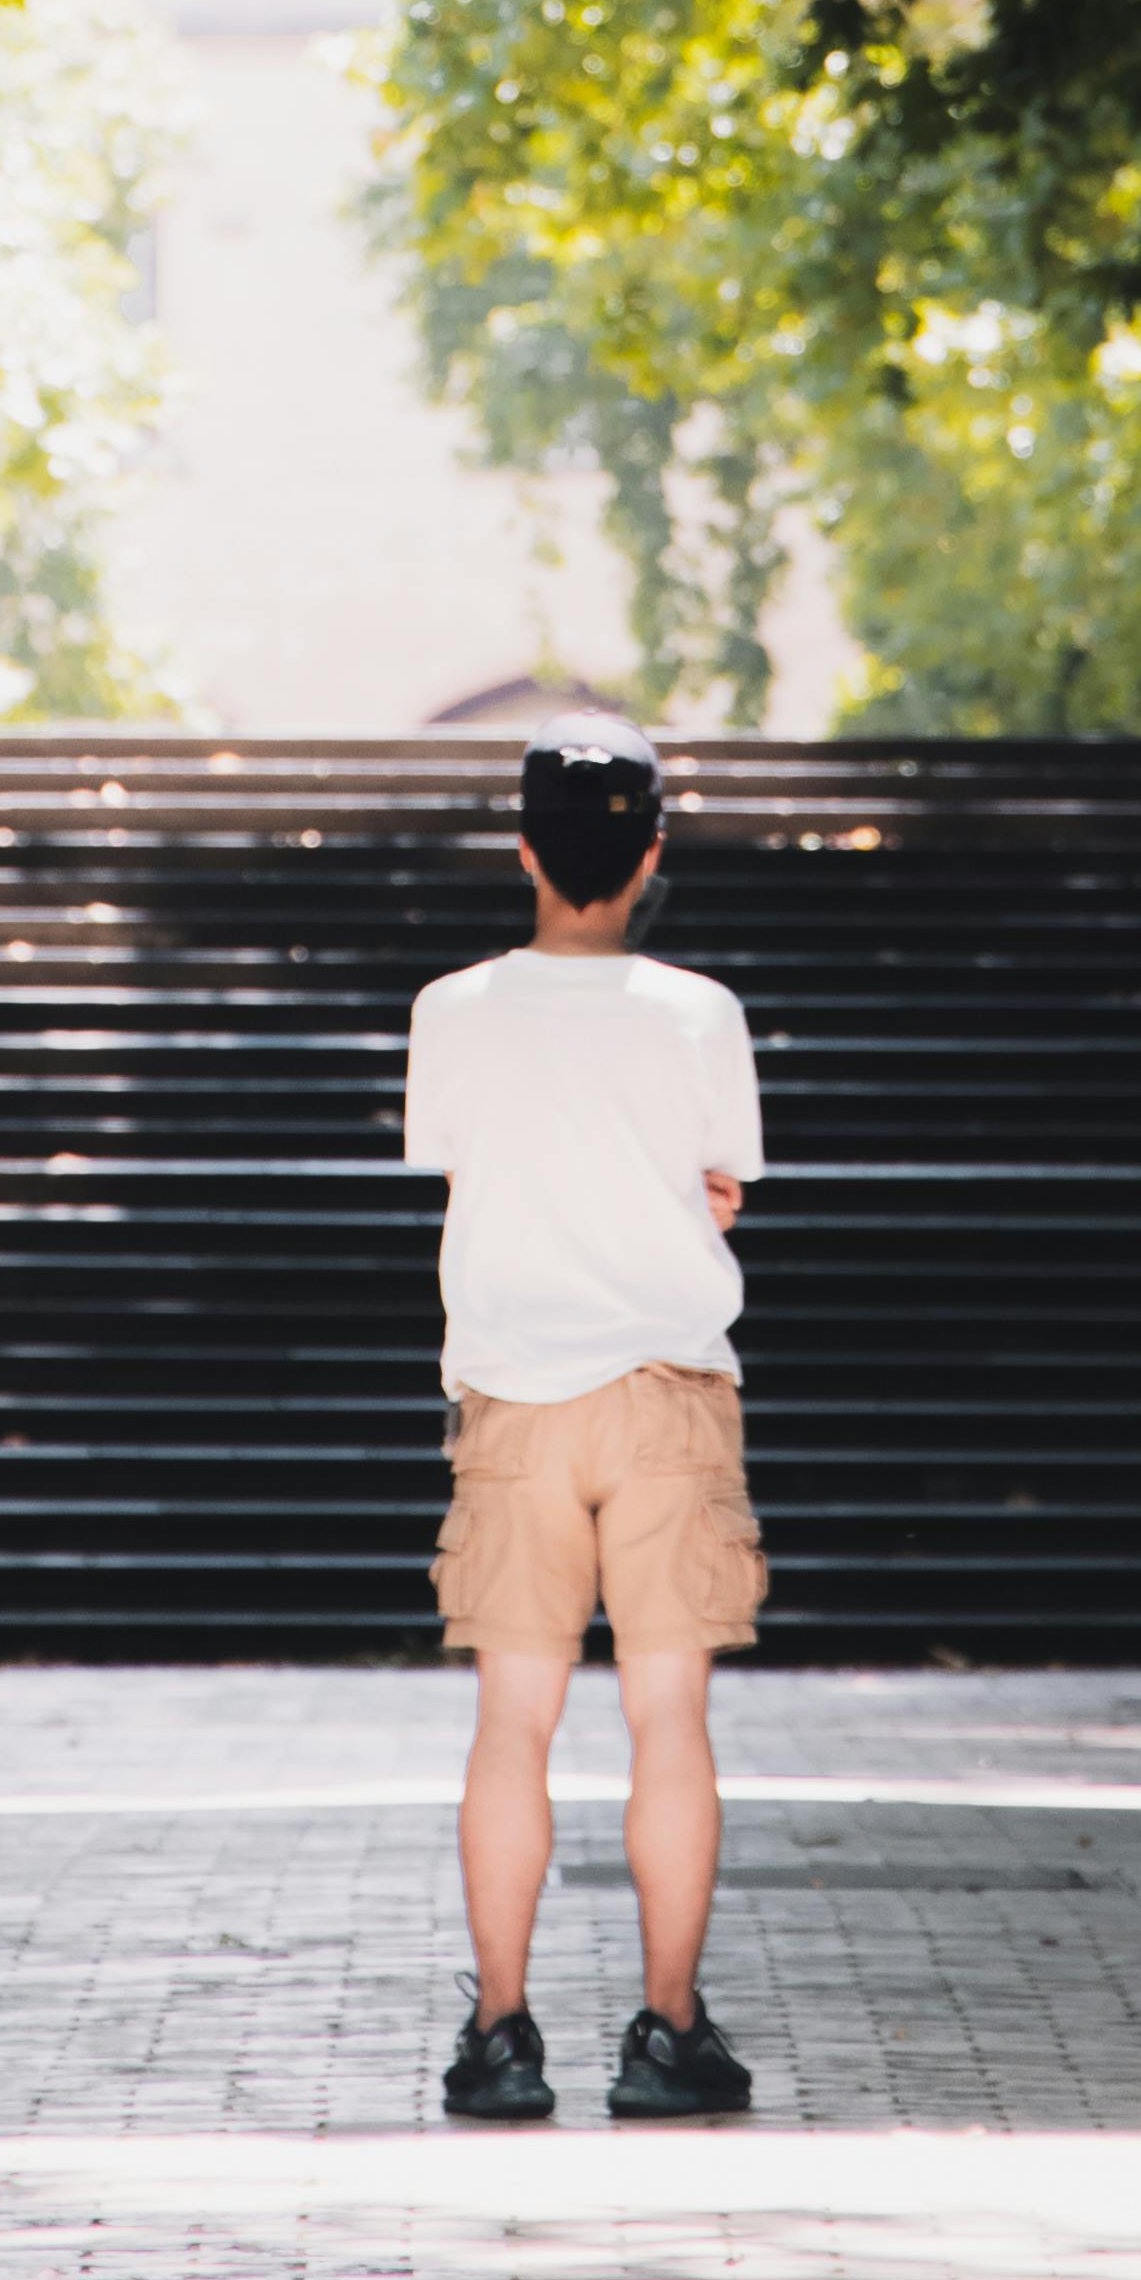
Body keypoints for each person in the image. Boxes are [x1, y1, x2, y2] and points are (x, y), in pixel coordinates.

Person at [406, 707, 768, 2124]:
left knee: (514, 1722)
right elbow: (715, 1182)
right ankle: (666, 2031)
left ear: (523, 852)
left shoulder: (451, 1007)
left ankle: (501, 2034)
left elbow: (464, 1167)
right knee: (667, 1716)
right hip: (670, 1387)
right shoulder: (700, 1012)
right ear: (650, 854)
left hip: (510, 1393)